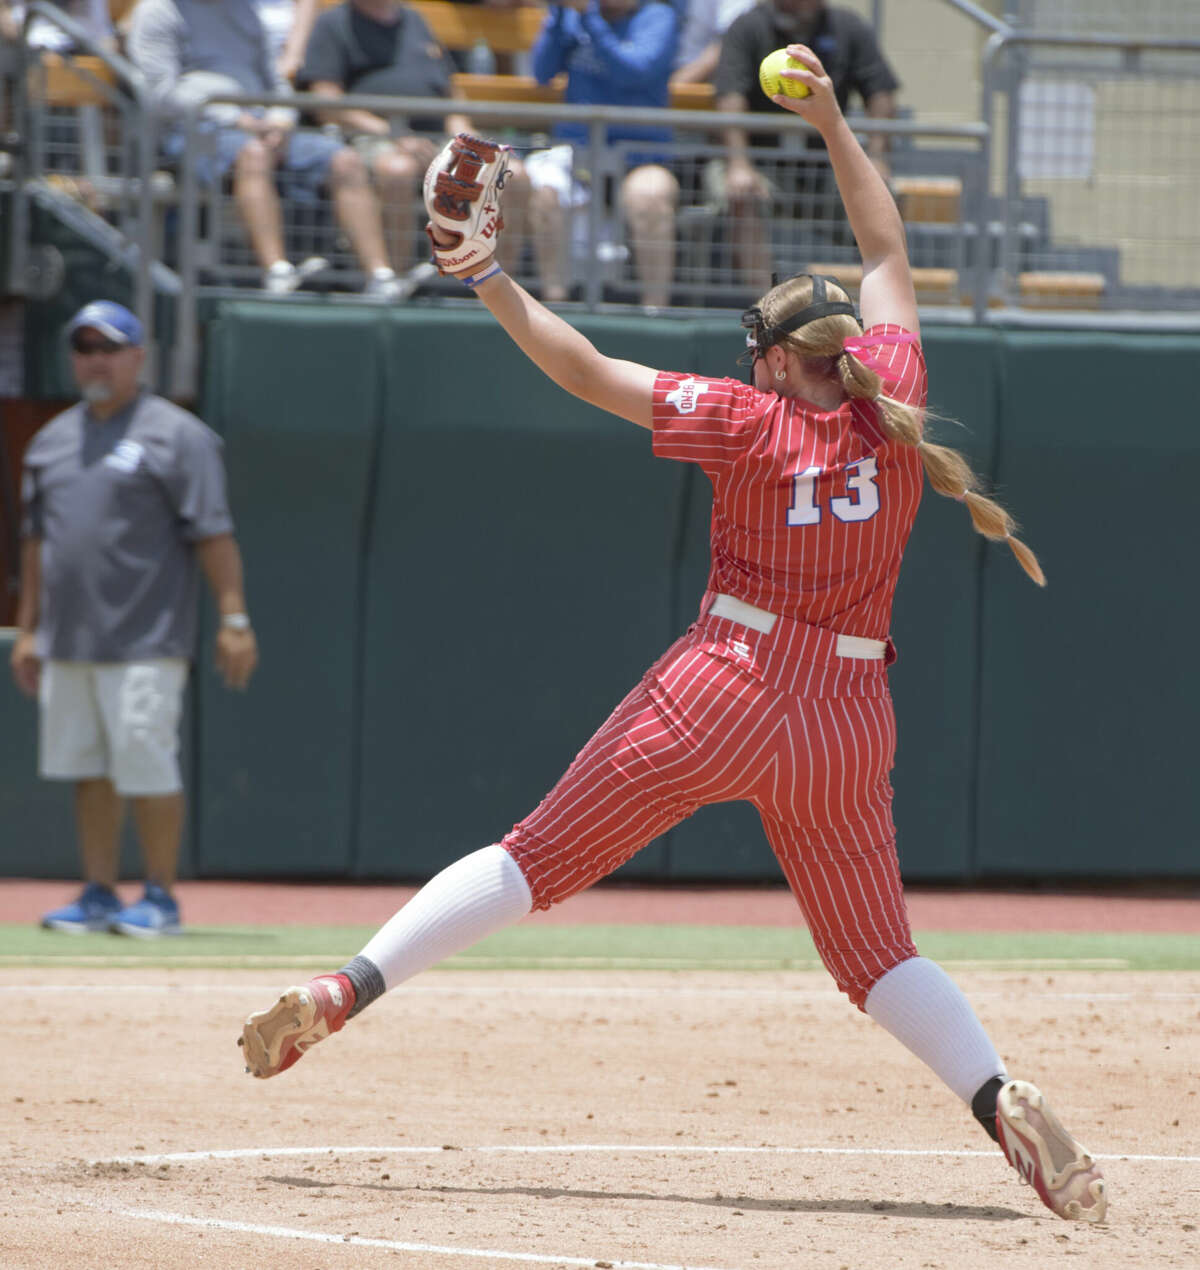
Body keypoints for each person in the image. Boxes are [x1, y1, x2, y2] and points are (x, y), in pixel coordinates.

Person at [239, 46, 1107, 1227]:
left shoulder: (749, 420)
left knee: (532, 857)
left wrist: (483, 272)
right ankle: (995, 1092)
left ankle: (348, 987)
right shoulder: (890, 407)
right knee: (876, 959)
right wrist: (838, 121)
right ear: (846, 355)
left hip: (728, 683)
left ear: (773, 359)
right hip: (847, 717)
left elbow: (583, 367)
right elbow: (890, 248)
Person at [11, 301, 258, 937]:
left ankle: (160, 896)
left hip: (146, 639)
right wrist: (30, 627)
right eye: (84, 347)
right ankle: (97, 892)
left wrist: (233, 616)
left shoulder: (177, 435)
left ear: (138, 357)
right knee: (86, 770)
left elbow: (213, 532)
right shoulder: (50, 441)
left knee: (146, 765)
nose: (95, 358)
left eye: (108, 347)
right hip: (69, 640)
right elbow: (37, 542)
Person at [128, 0, 406, 297]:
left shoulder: (243, 9)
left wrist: (282, 118)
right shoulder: (156, 10)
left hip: (261, 123)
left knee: (345, 159)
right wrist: (235, 117)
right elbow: (159, 94)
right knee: (255, 154)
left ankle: (380, 276)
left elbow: (274, 79)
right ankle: (278, 273)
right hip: (195, 129)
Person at [296, 0, 530, 281]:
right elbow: (325, 101)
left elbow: (450, 90)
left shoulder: (415, 20)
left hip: (434, 136)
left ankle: (498, 284)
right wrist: (392, 132)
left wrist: (464, 132)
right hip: (372, 135)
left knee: (512, 173)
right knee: (397, 170)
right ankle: (396, 279)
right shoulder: (333, 23)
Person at [715, 0, 899, 290]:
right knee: (742, 195)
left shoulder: (847, 25)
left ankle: (870, 308)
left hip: (828, 163)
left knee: (881, 195)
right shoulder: (748, 26)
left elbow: (880, 91)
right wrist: (739, 163)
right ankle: (767, 312)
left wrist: (877, 157)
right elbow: (729, 96)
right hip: (763, 163)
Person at [527, 0, 680, 307]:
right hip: (577, 153)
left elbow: (634, 70)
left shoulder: (658, 17)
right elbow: (542, 72)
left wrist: (591, 20)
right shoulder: (573, 16)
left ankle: (656, 311)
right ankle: (556, 307)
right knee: (545, 192)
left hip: (639, 156)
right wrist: (557, 16)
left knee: (650, 196)